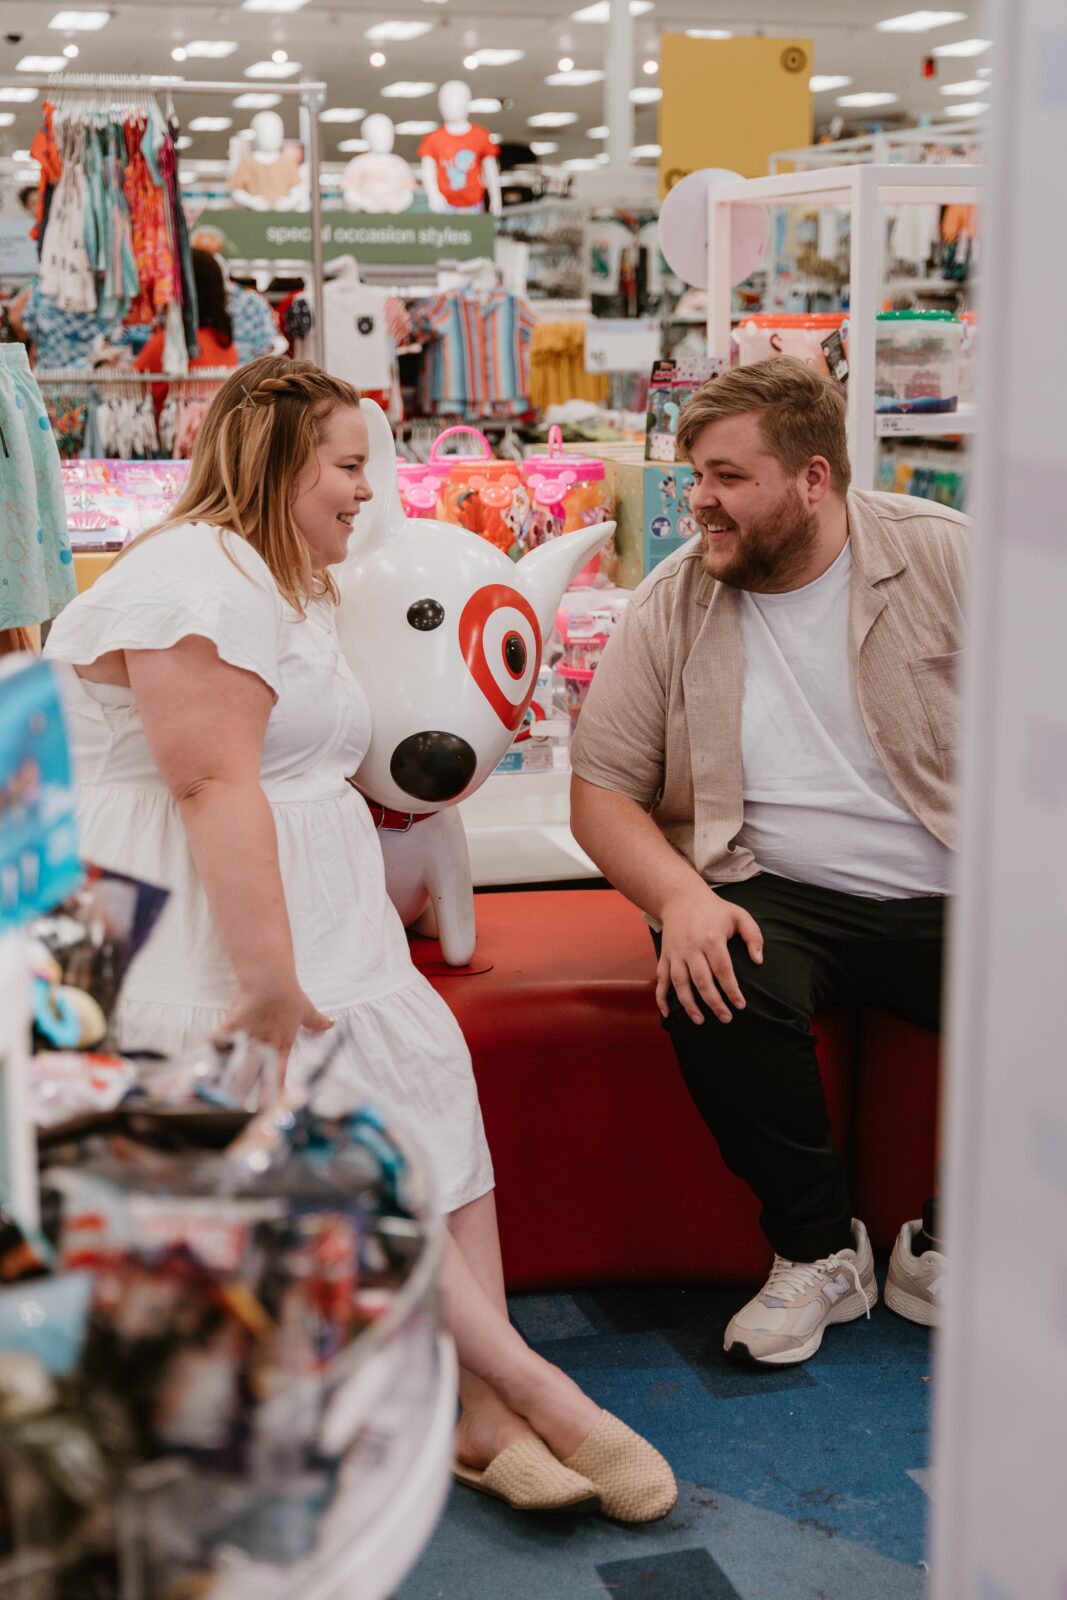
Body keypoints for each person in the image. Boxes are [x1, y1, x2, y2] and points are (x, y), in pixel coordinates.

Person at [43, 354, 676, 1520]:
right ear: (279, 459)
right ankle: (541, 1394)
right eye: (345, 465)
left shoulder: (281, 586)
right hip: (214, 942)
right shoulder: (194, 577)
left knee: (428, 1101)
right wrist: (269, 982)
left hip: (329, 931)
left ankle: (482, 1417)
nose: (362, 493)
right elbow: (210, 788)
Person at [570, 357, 962, 1366]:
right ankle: (817, 1250)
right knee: (708, 974)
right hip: (770, 887)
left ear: (813, 480)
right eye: (691, 474)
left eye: (727, 478)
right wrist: (676, 895)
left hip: (962, 884)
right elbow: (601, 788)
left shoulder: (948, 559)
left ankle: (957, 1238)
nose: (697, 500)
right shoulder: (672, 597)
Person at [133, 247, 239, 419]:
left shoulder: (168, 346)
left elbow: (130, 390)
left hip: (173, 442)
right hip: (213, 441)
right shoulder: (226, 345)